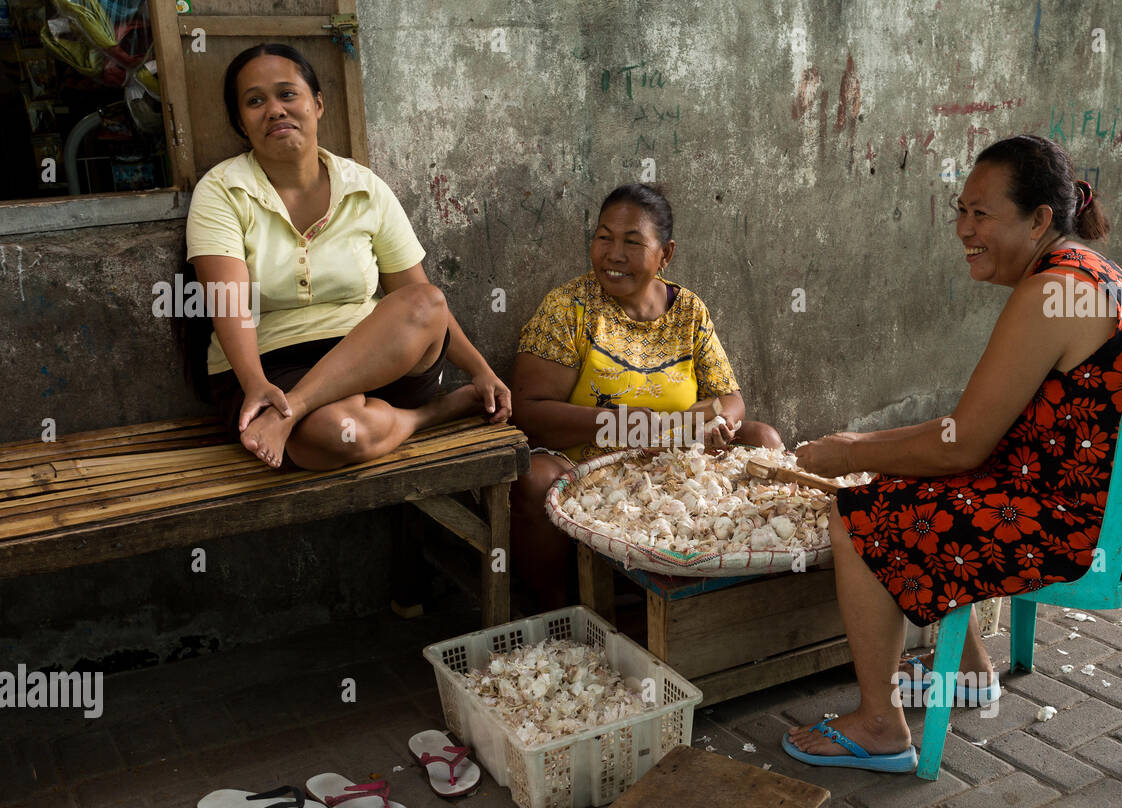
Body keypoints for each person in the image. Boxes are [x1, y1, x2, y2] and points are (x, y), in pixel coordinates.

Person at [784, 134, 1122, 770]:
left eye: (983, 215)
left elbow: (963, 444)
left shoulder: (1049, 295)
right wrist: (882, 449)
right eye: (961, 210)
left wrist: (851, 451)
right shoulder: (1092, 271)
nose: (965, 230)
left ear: (1039, 221)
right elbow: (981, 436)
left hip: (1099, 533)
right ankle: (969, 673)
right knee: (928, 484)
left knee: (860, 514)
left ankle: (879, 724)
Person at [184, 43, 510, 471]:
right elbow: (228, 303)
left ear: (317, 104)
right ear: (241, 123)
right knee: (342, 433)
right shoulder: (223, 190)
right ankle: (429, 415)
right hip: (271, 367)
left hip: (376, 361)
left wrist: (481, 369)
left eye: (287, 94)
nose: (275, 110)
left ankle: (294, 411)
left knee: (426, 299)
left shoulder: (365, 186)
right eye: (255, 101)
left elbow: (422, 304)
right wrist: (255, 386)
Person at [510, 184, 782, 608]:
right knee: (533, 479)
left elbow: (728, 397)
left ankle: (746, 605)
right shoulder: (569, 309)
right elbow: (528, 412)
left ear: (666, 254)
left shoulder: (688, 310)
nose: (613, 254)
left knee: (763, 438)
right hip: (589, 465)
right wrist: (626, 425)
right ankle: (555, 615)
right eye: (604, 238)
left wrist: (717, 422)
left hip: (677, 464)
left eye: (632, 243)